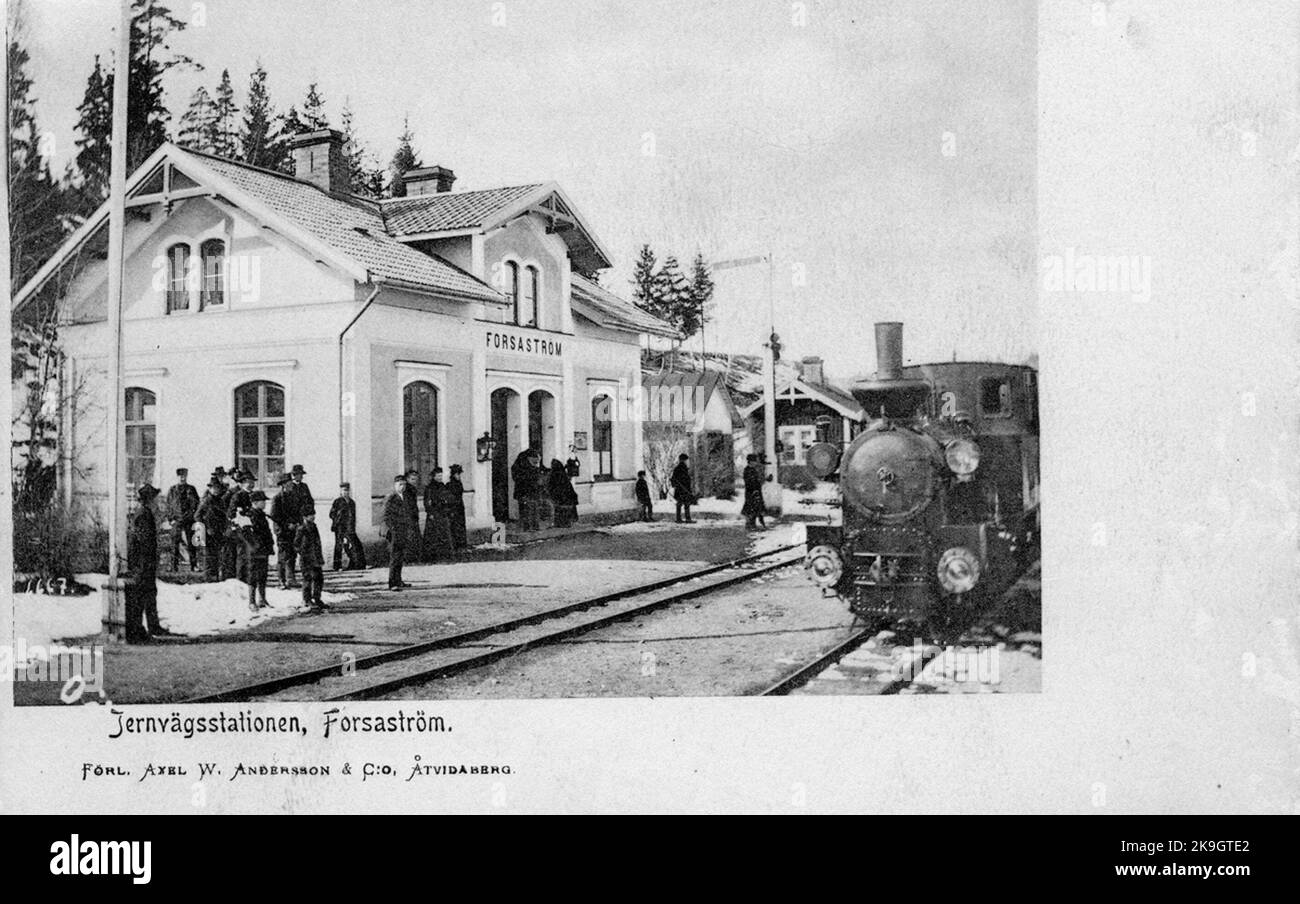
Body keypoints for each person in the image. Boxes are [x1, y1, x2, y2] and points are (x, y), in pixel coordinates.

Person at [125, 483, 170, 642]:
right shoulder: (144, 514)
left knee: (149, 594)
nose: (157, 501)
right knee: (143, 595)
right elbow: (144, 542)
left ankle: (152, 626)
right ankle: (140, 630)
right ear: (149, 499)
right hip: (143, 563)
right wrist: (147, 563)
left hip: (144, 562)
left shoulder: (143, 512)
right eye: (155, 498)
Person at [239, 490, 274, 611]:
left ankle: (262, 599)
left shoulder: (261, 515)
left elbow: (267, 533)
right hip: (254, 551)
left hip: (263, 550)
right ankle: (252, 601)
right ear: (255, 502)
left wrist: (269, 546)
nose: (264, 503)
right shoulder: (249, 516)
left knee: (263, 575)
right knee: (253, 576)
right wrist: (255, 546)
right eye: (262, 501)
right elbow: (246, 534)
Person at [164, 467, 200, 571]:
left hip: (189, 519)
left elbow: (196, 504)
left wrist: (192, 516)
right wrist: (171, 519)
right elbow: (168, 506)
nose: (182, 478)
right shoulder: (172, 490)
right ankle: (173, 565)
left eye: (184, 476)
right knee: (174, 543)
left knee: (192, 543)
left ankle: (194, 565)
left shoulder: (191, 489)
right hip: (176, 520)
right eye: (180, 476)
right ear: (177, 477)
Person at [196, 473, 228, 581]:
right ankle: (209, 578)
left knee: (218, 556)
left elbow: (224, 516)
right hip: (208, 534)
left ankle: (215, 577)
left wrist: (224, 528)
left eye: (217, 488)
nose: (215, 490)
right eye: (213, 488)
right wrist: (205, 528)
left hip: (219, 532)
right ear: (209, 489)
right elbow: (197, 516)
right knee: (209, 557)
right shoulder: (206, 501)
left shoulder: (220, 501)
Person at [226, 470, 256, 583]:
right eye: (248, 482)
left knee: (251, 554)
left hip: (251, 529)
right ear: (243, 483)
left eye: (252, 482)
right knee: (242, 554)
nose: (251, 484)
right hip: (241, 529)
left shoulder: (253, 495)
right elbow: (231, 513)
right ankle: (240, 578)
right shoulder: (238, 496)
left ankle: (249, 577)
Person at [383, 475, 412, 591]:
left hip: (402, 531)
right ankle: (392, 583)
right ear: (395, 485)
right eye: (400, 484)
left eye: (404, 484)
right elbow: (386, 516)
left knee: (400, 557)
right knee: (394, 558)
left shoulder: (404, 497)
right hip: (394, 532)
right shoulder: (391, 497)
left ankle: (398, 580)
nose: (402, 487)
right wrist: (392, 530)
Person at [294, 510, 326, 611]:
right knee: (307, 579)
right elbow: (296, 544)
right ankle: (306, 600)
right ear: (304, 517)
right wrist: (303, 553)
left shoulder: (314, 526)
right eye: (310, 515)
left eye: (313, 515)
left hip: (315, 557)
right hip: (306, 559)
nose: (313, 517)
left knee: (319, 578)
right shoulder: (301, 528)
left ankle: (317, 599)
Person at [329, 482, 366, 571]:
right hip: (340, 528)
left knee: (354, 545)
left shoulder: (352, 502)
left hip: (350, 528)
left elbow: (353, 517)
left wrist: (352, 528)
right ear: (341, 491)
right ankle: (337, 566)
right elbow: (331, 514)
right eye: (344, 490)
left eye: (347, 490)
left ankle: (354, 564)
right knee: (339, 546)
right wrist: (338, 518)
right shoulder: (337, 501)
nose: (346, 492)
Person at [270, 473, 298, 589]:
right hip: (282, 531)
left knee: (292, 555)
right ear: (283, 485)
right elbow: (274, 516)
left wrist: (296, 523)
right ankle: (281, 580)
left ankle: (290, 578)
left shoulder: (294, 497)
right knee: (283, 556)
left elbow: (297, 512)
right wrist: (287, 525)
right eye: (289, 483)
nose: (291, 484)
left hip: (293, 530)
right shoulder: (277, 498)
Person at [421, 468, 454, 560]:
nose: (440, 477)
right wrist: (430, 512)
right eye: (438, 476)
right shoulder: (429, 488)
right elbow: (427, 501)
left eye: (441, 476)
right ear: (434, 476)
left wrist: (447, 503)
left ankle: (445, 554)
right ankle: (431, 555)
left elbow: (448, 497)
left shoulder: (442, 486)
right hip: (434, 514)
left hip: (443, 513)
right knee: (433, 535)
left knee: (445, 534)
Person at [511, 449, 542, 531]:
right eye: (535, 461)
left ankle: (534, 526)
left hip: (531, 491)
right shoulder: (520, 466)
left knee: (534, 508)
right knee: (526, 509)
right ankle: (527, 527)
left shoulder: (528, 465)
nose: (537, 463)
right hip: (524, 491)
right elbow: (517, 478)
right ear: (529, 458)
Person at [548, 458, 579, 527]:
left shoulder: (554, 474)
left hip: (561, 496)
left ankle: (561, 523)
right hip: (566, 496)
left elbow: (552, 486)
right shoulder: (563, 474)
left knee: (561, 510)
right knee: (565, 510)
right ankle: (566, 523)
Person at [446, 464, 468, 550]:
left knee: (461, 525)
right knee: (455, 526)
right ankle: (456, 544)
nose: (459, 476)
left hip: (460, 507)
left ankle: (461, 544)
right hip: (454, 508)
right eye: (457, 474)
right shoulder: (450, 484)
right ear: (453, 475)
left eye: (459, 474)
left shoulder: (459, 483)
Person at [741, 453, 766, 530]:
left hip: (755, 491)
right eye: (754, 461)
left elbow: (756, 480)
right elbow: (750, 482)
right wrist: (754, 489)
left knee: (755, 508)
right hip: (751, 491)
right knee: (751, 508)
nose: (755, 462)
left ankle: (752, 524)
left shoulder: (753, 470)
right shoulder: (748, 470)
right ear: (751, 461)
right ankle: (750, 524)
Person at [671, 453, 695, 523]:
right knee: (686, 504)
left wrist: (675, 485)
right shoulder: (683, 468)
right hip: (684, 489)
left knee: (679, 504)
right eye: (686, 460)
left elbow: (673, 479)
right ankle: (687, 519)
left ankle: (678, 519)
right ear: (684, 460)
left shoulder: (677, 468)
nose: (686, 461)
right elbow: (684, 480)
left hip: (679, 489)